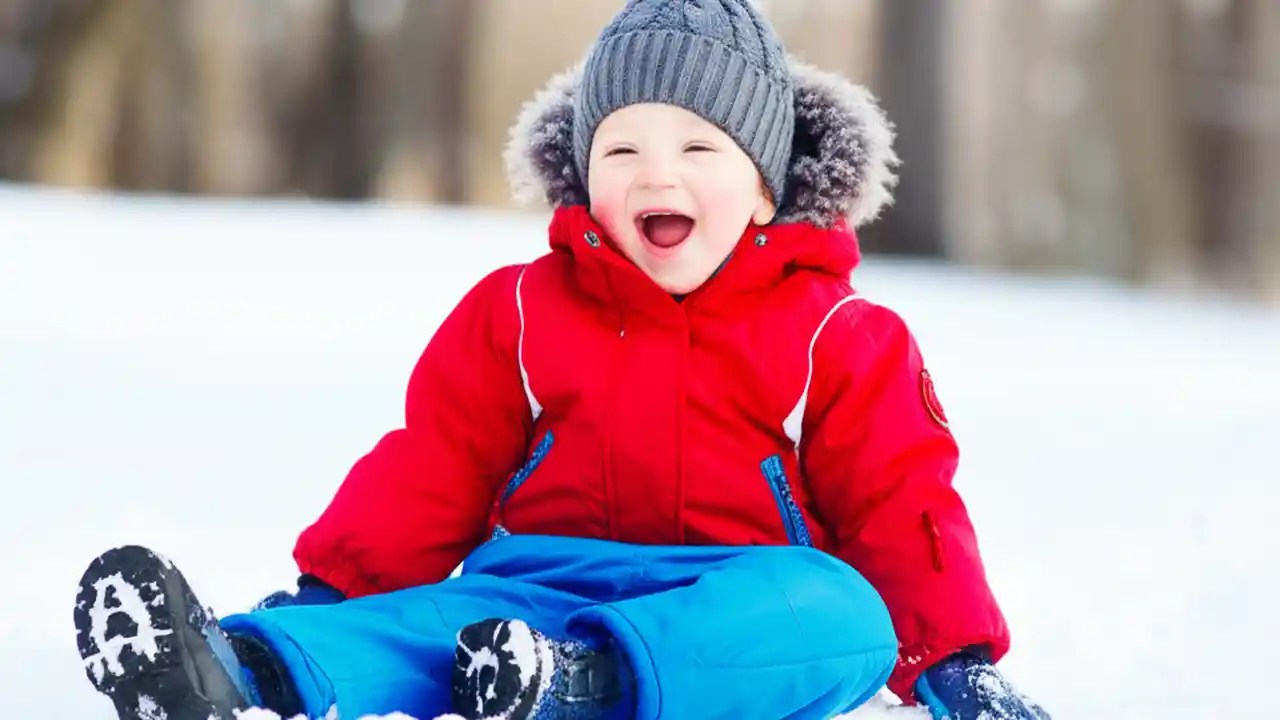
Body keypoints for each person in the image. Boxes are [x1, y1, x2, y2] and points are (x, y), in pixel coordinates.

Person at [72, 2, 1050, 719]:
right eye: (620, 151)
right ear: (582, 175)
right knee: (424, 630)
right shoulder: (522, 311)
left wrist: (954, 661)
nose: (655, 173)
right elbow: (434, 463)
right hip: (530, 589)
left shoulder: (837, 335)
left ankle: (589, 679)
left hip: (733, 598)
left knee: (845, 617)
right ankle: (233, 668)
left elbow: (902, 503)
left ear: (763, 189)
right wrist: (335, 589)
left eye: (697, 150)